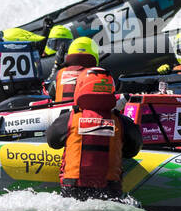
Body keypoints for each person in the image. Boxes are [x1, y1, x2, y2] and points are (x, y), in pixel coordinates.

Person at [45, 67, 142, 200]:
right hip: (109, 190)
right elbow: (133, 151)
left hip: (73, 191)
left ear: (80, 87)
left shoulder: (70, 119)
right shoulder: (122, 122)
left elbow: (52, 141)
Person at [46, 36, 100, 102]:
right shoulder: (99, 76)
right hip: (84, 111)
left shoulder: (58, 74)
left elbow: (48, 94)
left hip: (61, 110)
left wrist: (56, 68)